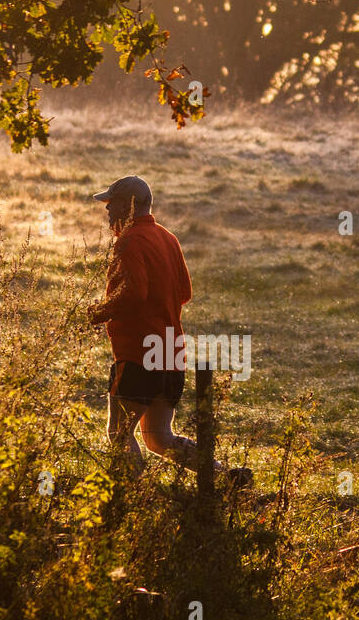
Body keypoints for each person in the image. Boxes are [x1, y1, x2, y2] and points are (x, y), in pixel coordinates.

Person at [87, 175, 251, 488]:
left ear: (127, 205)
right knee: (159, 438)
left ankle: (134, 498)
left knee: (119, 434)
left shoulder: (130, 242)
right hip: (169, 350)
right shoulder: (167, 238)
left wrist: (99, 313)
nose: (107, 212)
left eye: (111, 205)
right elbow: (185, 293)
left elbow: (135, 294)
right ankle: (221, 477)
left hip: (138, 352)